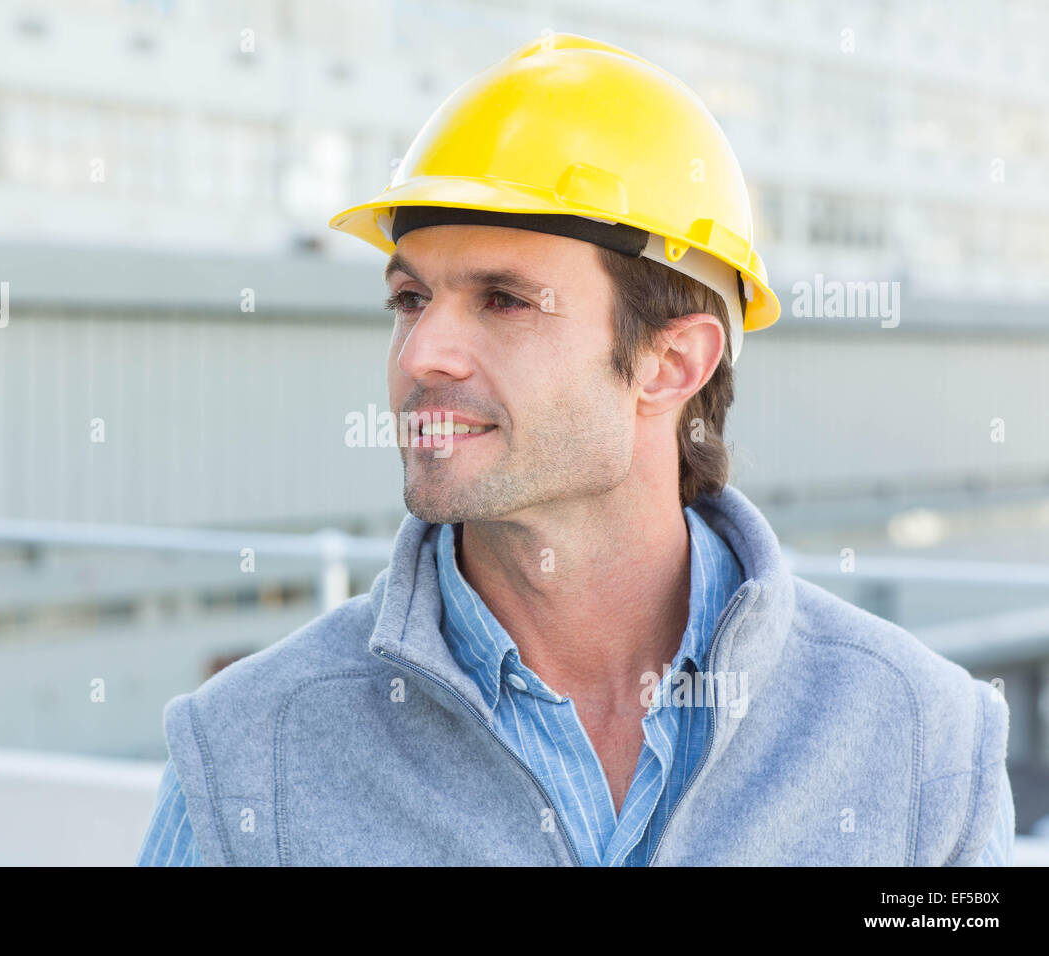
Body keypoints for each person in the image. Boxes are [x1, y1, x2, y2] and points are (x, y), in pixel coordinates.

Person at [137, 33, 1014, 866]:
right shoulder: (247, 755)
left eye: (504, 300)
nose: (420, 355)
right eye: (410, 299)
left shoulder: (923, 740)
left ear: (672, 363)